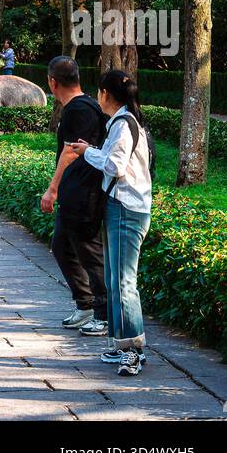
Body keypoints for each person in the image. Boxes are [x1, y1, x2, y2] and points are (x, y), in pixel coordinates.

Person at [64, 69, 153, 377]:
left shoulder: (124, 124)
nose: (97, 95)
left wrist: (87, 152)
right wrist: (90, 152)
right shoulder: (123, 120)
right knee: (116, 278)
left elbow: (114, 166)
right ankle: (121, 343)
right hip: (121, 205)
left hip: (127, 208)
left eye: (99, 91)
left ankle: (133, 351)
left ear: (106, 94)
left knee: (124, 281)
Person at [41, 56, 109, 336]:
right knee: (61, 245)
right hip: (76, 191)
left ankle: (104, 315)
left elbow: (70, 151)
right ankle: (86, 304)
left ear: (52, 82)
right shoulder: (86, 105)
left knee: (90, 254)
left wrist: (52, 189)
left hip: (83, 193)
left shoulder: (78, 109)